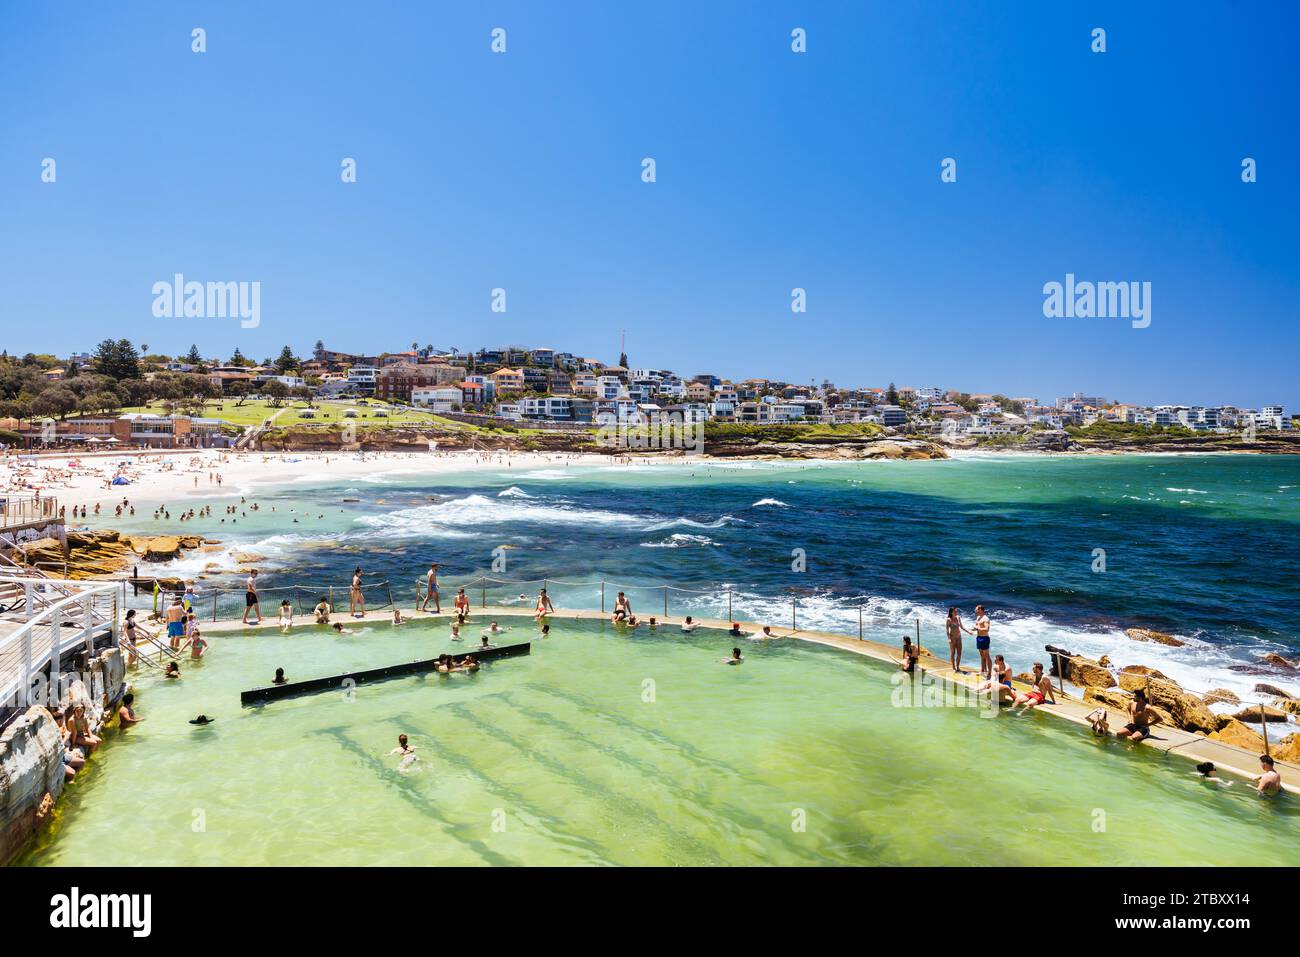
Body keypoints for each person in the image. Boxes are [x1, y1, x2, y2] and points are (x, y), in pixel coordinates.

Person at [945, 606, 971, 675]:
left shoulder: (958, 617)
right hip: (952, 637)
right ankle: (953, 667)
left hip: (959, 637)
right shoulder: (948, 619)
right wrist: (949, 639)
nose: (956, 612)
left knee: (959, 653)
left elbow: (962, 627)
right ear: (951, 612)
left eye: (956, 611)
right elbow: (947, 630)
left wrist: (968, 632)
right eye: (955, 611)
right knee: (953, 653)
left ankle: (958, 667)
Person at [973, 604, 992, 679]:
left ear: (980, 609)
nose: (975, 610)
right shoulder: (978, 617)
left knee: (987, 656)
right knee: (982, 656)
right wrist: (973, 629)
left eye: (976, 609)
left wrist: (977, 628)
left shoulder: (985, 619)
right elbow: (978, 627)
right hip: (978, 637)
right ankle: (983, 671)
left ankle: (989, 673)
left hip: (984, 638)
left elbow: (987, 629)